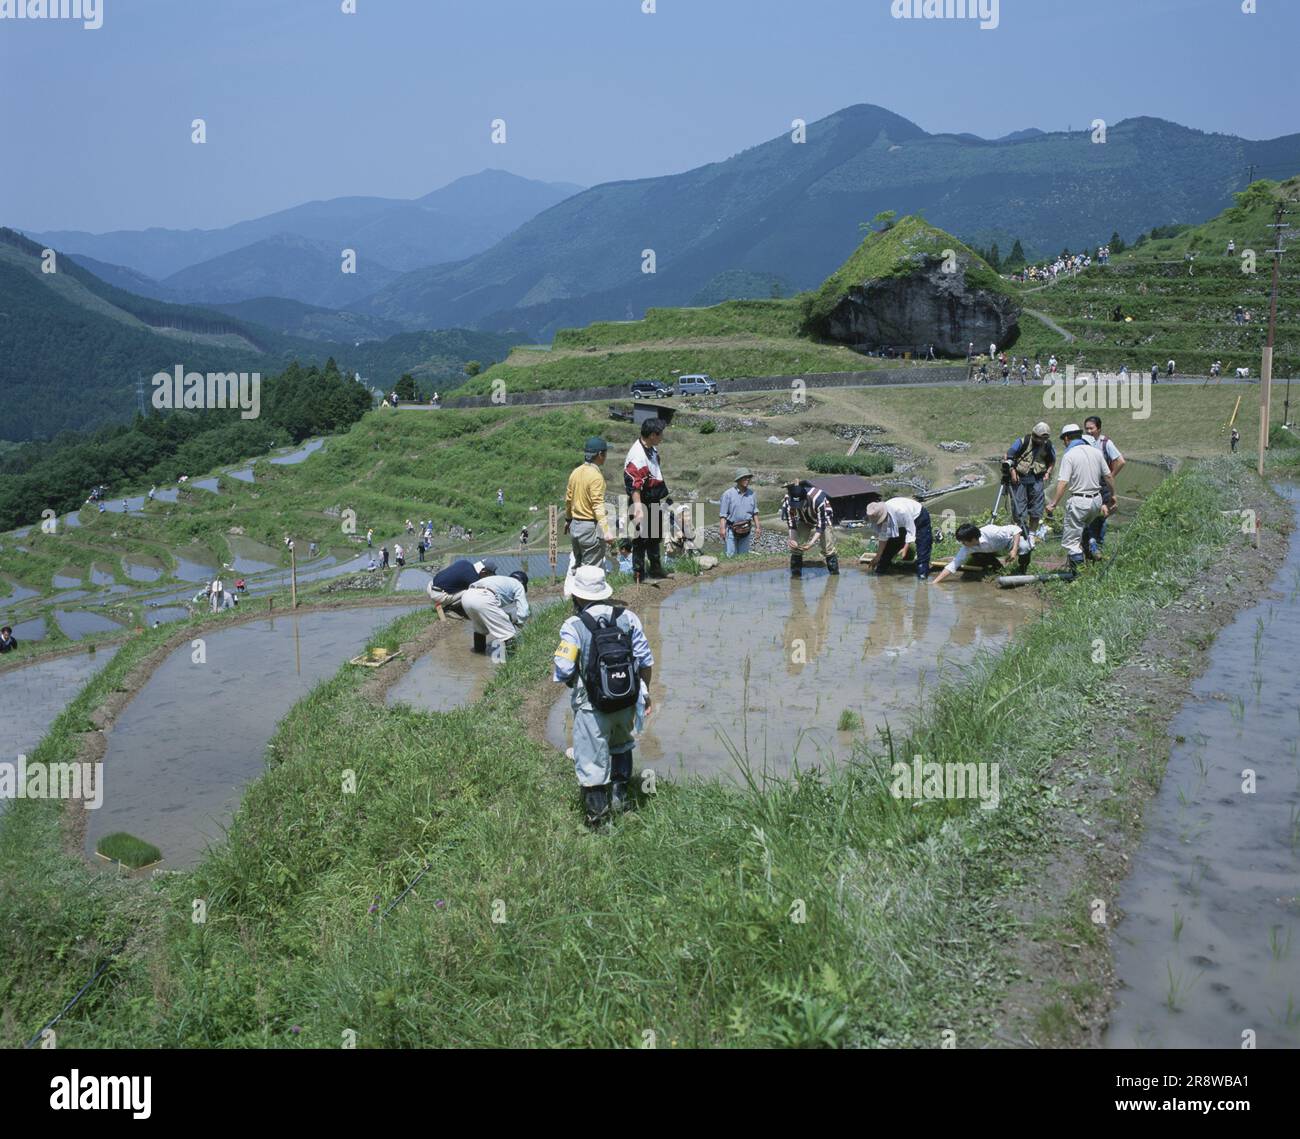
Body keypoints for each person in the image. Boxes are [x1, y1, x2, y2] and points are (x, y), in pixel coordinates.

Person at [552, 565, 654, 827]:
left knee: (590, 762)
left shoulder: (574, 625)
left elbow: (563, 669)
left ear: (578, 596)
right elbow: (645, 660)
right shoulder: (628, 617)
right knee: (621, 744)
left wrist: (575, 681)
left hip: (592, 706)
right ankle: (622, 799)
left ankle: (598, 821)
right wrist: (644, 693)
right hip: (626, 700)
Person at [1045, 423, 1116, 576]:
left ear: (1067, 438)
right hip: (1096, 501)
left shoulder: (1069, 455)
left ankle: (1077, 576)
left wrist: (1053, 503)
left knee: (1071, 541)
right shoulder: (1096, 452)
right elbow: (1108, 476)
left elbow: (1063, 483)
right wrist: (1113, 496)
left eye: (1064, 440)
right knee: (1085, 528)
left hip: (1080, 501)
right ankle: (1091, 548)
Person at [624, 417, 672, 582]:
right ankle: (639, 575)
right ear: (652, 435)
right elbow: (634, 484)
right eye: (660, 434)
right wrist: (638, 507)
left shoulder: (651, 448)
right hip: (641, 500)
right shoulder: (637, 455)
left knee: (655, 535)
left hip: (653, 497)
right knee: (641, 538)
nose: (662, 437)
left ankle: (656, 569)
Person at [564, 436, 616, 570]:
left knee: (579, 567)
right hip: (589, 529)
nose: (606, 456)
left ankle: (575, 590)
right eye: (605, 452)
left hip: (575, 526)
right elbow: (597, 504)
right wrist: (606, 530)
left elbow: (568, 499)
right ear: (600, 454)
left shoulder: (575, 472)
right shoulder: (596, 476)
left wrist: (568, 519)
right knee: (591, 571)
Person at [931, 523, 1031, 584]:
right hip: (993, 551)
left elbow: (1016, 529)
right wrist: (935, 582)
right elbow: (953, 564)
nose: (963, 544)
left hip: (1009, 544)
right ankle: (998, 568)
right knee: (976, 554)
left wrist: (1014, 550)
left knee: (1025, 546)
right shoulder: (967, 547)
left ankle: (1023, 568)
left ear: (973, 539)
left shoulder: (991, 531)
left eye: (964, 541)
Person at [461, 570, 530, 658]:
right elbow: (524, 612)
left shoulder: (501, 580)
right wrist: (519, 622)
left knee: (480, 628)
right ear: (523, 583)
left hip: (466, 596)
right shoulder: (518, 585)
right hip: (484, 598)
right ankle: (514, 661)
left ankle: (478, 656)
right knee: (508, 633)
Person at [1084, 416, 1125, 555]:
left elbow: (1120, 461)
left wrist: (1111, 476)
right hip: (1088, 483)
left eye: (1092, 428)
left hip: (1102, 484)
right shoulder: (1084, 442)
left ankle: (1096, 544)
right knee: (1089, 513)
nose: (1089, 431)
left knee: (1102, 514)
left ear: (1099, 428)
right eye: (1087, 428)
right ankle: (1091, 543)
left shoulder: (1105, 443)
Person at [1004, 422, 1056, 531]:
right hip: (1020, 478)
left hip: (1037, 479)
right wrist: (1012, 472)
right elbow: (1008, 456)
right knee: (1019, 508)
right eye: (1039, 438)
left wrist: (1048, 472)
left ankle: (1032, 534)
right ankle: (1020, 532)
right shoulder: (1022, 442)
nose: (1041, 441)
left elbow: (1051, 461)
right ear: (1034, 435)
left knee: (1036, 508)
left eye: (1044, 438)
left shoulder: (1048, 445)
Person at [864, 497, 933, 580]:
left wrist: (905, 548)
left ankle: (922, 575)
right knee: (892, 545)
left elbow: (910, 529)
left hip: (918, 516)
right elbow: (883, 537)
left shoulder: (901, 511)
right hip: (900, 522)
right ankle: (880, 571)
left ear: (884, 515)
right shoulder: (879, 515)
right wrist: (877, 556)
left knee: (923, 544)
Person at [780, 480, 836, 578]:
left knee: (828, 547)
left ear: (805, 499)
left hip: (824, 518)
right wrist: (792, 539)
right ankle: (796, 576)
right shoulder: (788, 502)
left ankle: (834, 576)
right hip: (804, 518)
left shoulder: (818, 499)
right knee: (797, 546)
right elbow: (791, 523)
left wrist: (811, 543)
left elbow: (820, 525)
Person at [719, 469, 761, 556]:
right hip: (731, 529)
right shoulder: (728, 494)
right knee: (730, 554)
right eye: (744, 478)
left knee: (743, 555)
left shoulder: (752, 494)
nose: (747, 480)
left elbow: (755, 513)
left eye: (748, 477)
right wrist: (722, 529)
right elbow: (723, 515)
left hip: (746, 528)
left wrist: (758, 528)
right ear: (738, 479)